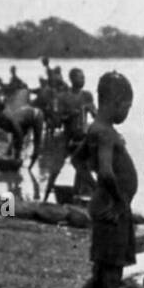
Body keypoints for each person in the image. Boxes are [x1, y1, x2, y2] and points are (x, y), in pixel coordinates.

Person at [54, 72, 138, 288]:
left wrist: (97, 191)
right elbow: (106, 172)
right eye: (127, 107)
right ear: (115, 102)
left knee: (101, 274)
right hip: (112, 210)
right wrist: (117, 199)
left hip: (105, 205)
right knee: (111, 274)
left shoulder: (96, 129)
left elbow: (77, 161)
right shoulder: (105, 133)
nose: (127, 112)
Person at [43, 68, 95, 200]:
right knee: (55, 168)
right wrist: (69, 115)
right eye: (79, 77)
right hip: (67, 136)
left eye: (83, 77)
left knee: (82, 168)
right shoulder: (63, 97)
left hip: (82, 137)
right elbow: (58, 120)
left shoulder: (87, 96)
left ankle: (82, 195)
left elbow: (96, 115)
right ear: (72, 80)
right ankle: (45, 197)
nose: (83, 80)